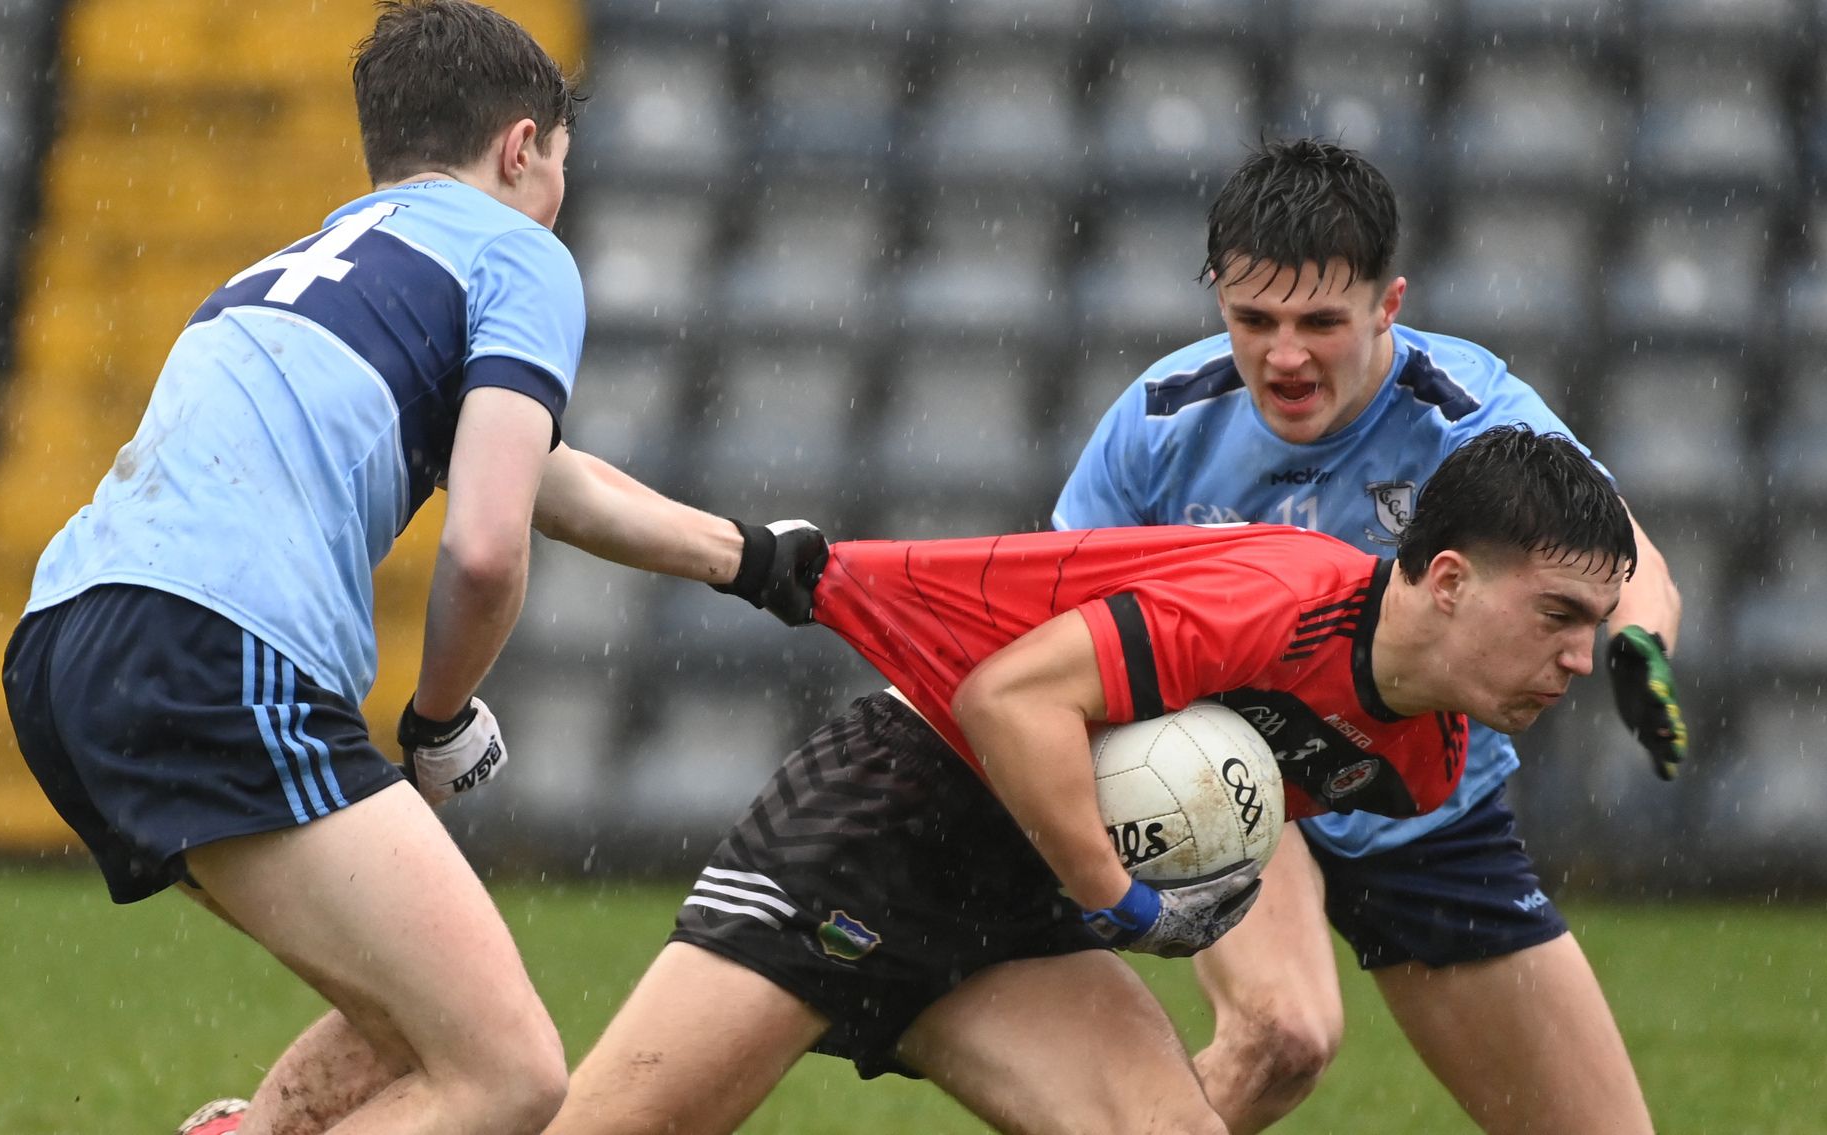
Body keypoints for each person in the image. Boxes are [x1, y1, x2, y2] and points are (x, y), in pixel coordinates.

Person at [0, 5, 826, 1135]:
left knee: (417, 1003)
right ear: (521, 148)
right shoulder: (514, 250)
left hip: (66, 646)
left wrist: (743, 558)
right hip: (211, 647)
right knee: (512, 1074)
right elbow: (485, 549)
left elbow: (545, 471)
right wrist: (435, 719)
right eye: (560, 171)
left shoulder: (305, 263)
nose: (557, 200)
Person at [546, 426, 1636, 1135]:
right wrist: (1123, 900)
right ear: (1445, 580)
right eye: (1556, 617)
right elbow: (1006, 702)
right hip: (888, 819)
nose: (1579, 661)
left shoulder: (1422, 757)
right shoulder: (1275, 598)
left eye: (1593, 627)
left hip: (1016, 894)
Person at [1054, 138, 1686, 1135]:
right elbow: (1050, 608)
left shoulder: (1467, 419)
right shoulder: (1159, 419)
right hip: (1230, 772)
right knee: (1283, 1034)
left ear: (1387, 306)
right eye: (1250, 321)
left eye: (1319, 321)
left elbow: (1622, 552)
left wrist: (1636, 645)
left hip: (1427, 802)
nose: (1283, 356)